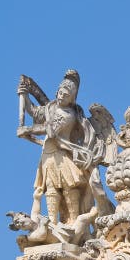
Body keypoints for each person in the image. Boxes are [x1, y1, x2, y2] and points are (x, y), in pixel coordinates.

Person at [18, 70, 99, 224]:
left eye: (66, 95)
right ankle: (52, 223)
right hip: (48, 154)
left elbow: (51, 130)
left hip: (63, 154)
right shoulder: (51, 108)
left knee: (70, 188)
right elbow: (34, 112)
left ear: (72, 99)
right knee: (50, 189)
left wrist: (27, 130)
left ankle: (73, 223)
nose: (62, 96)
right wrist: (25, 95)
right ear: (57, 91)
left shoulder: (70, 114)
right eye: (61, 92)